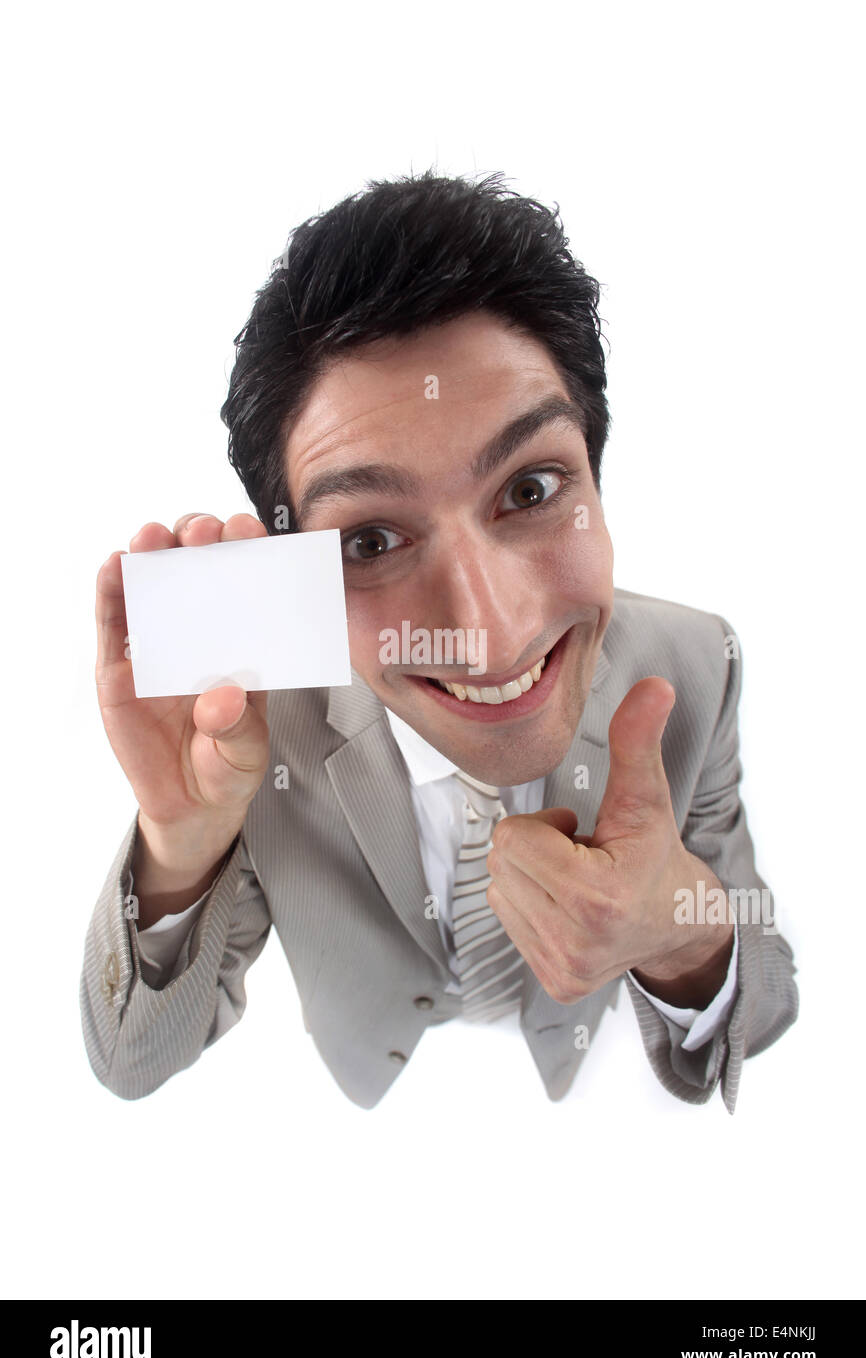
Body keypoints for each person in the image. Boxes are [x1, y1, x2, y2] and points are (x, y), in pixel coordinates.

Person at [81, 171, 798, 1110]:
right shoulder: (257, 730)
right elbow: (131, 1064)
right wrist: (179, 847)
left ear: (597, 474)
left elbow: (767, 1007)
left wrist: (683, 934)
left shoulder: (701, 665)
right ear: (296, 570)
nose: (488, 631)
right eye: (370, 541)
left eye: (533, 489)